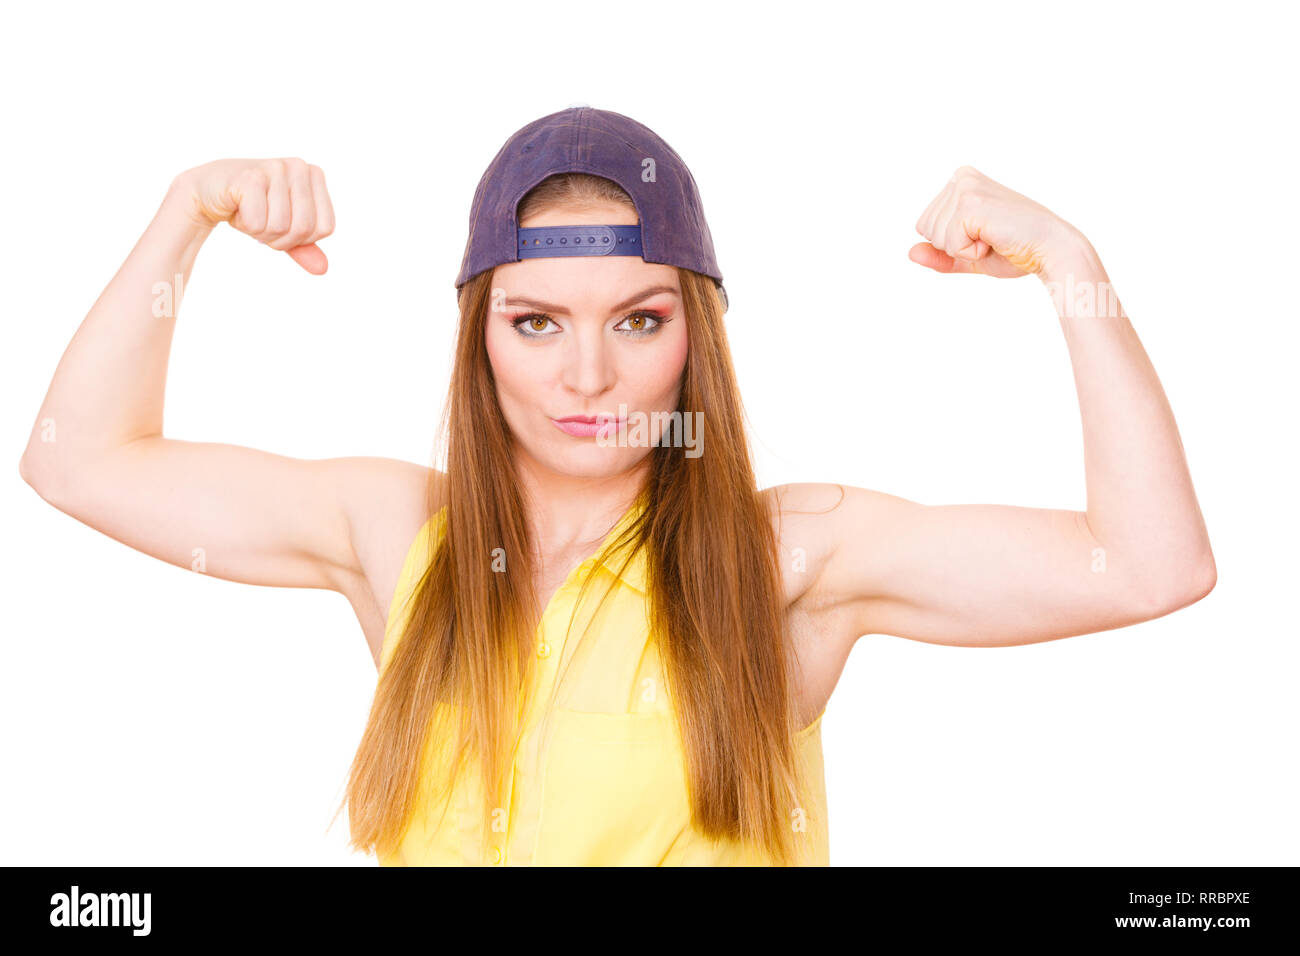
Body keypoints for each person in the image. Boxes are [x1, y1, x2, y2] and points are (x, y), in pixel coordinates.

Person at [18, 106, 1216, 867]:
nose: (588, 373)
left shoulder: (788, 558)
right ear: (479, 338)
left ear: (692, 332)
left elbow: (1153, 566)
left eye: (638, 320)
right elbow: (78, 459)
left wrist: (1073, 269)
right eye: (536, 322)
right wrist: (187, 213)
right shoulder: (397, 535)